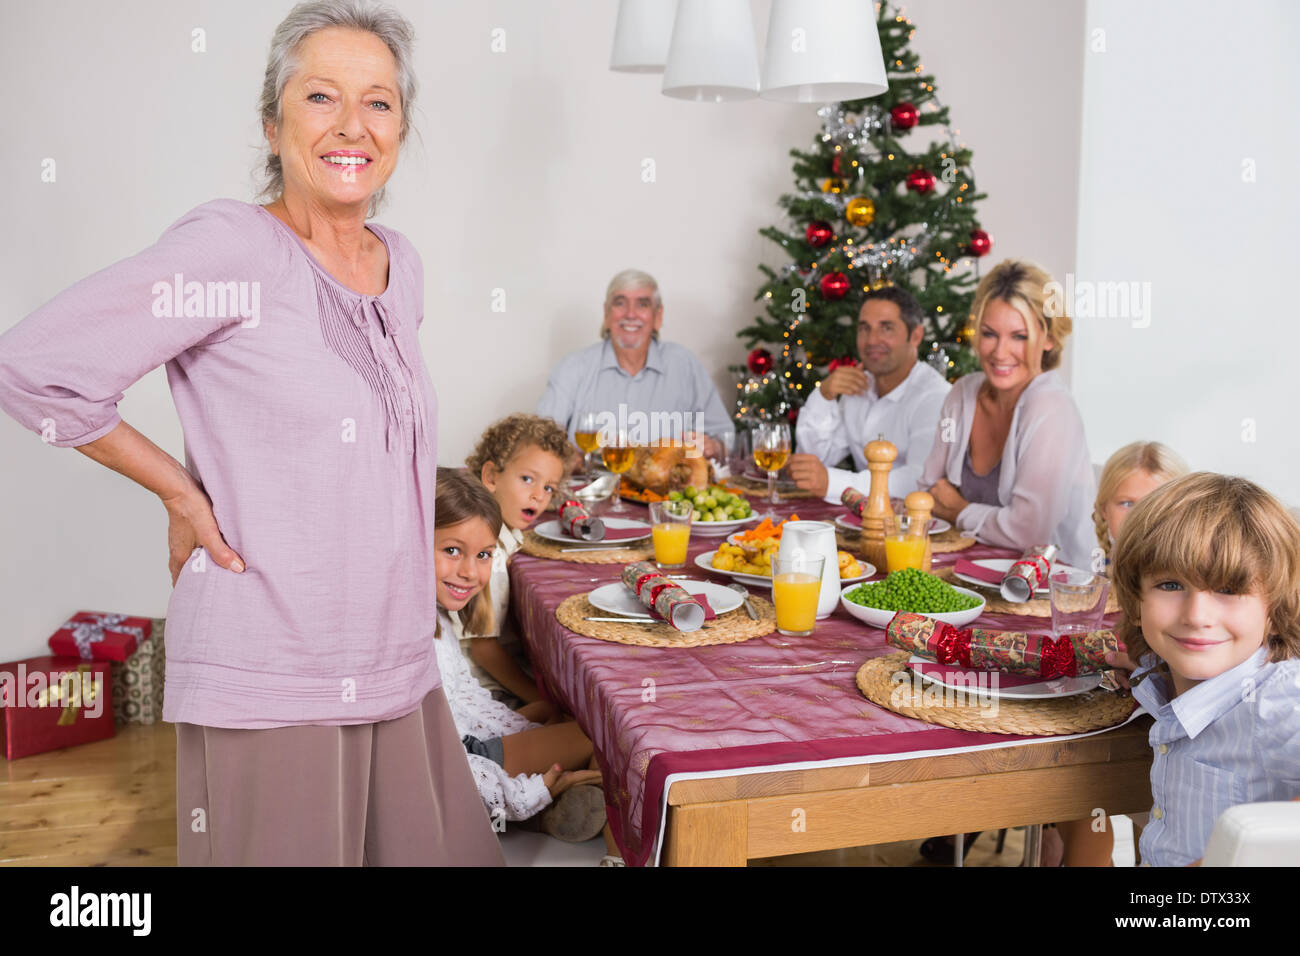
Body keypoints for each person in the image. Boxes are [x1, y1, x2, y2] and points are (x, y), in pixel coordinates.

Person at [0, 0, 503, 865]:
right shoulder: (231, 251)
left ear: (402, 126)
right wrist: (178, 489)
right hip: (274, 666)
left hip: (393, 659)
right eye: (320, 98)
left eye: (378, 101)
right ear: (271, 124)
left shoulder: (399, 261)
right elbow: (34, 367)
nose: (353, 125)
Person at [1110, 472, 1300, 867]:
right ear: (1136, 597)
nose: (1196, 617)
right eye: (1170, 585)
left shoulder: (1276, 696)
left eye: (1228, 590)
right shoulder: (1167, 670)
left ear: (1276, 612)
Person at [432, 469, 609, 844]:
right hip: (466, 758)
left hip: (466, 733)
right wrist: (525, 793)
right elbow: (442, 761)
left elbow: (463, 697)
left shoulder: (434, 615)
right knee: (602, 738)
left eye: (483, 555)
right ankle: (550, 808)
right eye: (452, 550)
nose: (468, 572)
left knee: (554, 712)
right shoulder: (408, 633)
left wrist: (520, 723)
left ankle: (562, 799)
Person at [1048, 440, 1190, 866]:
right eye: (1127, 502)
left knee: (1096, 793)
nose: (1141, 517)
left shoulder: (1186, 591)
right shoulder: (1097, 578)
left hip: (1169, 743)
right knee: (1077, 796)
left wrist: (1151, 664)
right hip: (1114, 728)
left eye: (1156, 502)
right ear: (1102, 510)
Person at [917, 258, 1096, 568]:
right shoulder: (961, 396)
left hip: (1052, 591)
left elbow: (1029, 532)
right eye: (989, 334)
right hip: (973, 577)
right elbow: (928, 491)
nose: (1000, 353)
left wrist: (959, 510)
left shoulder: (1051, 407)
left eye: (1019, 336)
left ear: (1049, 338)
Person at [536, 269, 733, 462]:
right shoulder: (573, 367)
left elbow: (726, 436)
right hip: (591, 490)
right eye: (620, 303)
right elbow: (541, 439)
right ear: (606, 314)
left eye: (642, 304)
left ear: (658, 316)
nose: (630, 314)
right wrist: (574, 460)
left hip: (668, 490)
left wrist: (715, 447)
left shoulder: (684, 365)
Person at [788, 286, 950, 501]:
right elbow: (813, 462)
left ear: (916, 336)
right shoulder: (860, 384)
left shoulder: (935, 397)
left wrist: (833, 482)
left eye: (886, 328)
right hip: (863, 519)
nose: (872, 340)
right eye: (864, 328)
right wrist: (824, 395)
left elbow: (920, 480)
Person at [459, 414, 573, 706]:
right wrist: (539, 698)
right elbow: (484, 651)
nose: (538, 496)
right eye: (527, 479)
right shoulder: (487, 555)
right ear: (492, 477)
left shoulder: (492, 529)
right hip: (484, 689)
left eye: (548, 488)